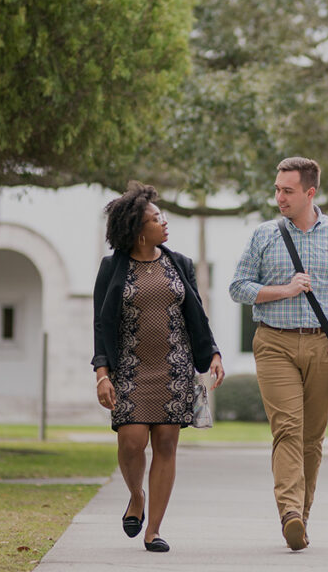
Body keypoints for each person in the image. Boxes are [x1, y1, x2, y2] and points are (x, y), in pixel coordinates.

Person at [229, 157, 328, 551]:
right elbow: (238, 286)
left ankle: (301, 518)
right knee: (288, 428)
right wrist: (285, 290)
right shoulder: (264, 234)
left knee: (312, 438)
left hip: (325, 345)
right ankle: (289, 511)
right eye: (277, 189)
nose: (279, 197)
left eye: (287, 191)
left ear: (310, 192)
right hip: (274, 342)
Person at [92, 182, 225, 553]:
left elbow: (196, 315)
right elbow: (101, 324)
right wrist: (102, 373)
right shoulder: (112, 268)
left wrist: (213, 353)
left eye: (162, 216)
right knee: (131, 442)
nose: (164, 222)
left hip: (174, 368)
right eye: (155, 218)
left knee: (166, 443)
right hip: (131, 369)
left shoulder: (179, 264)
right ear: (137, 229)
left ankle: (153, 530)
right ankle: (136, 495)